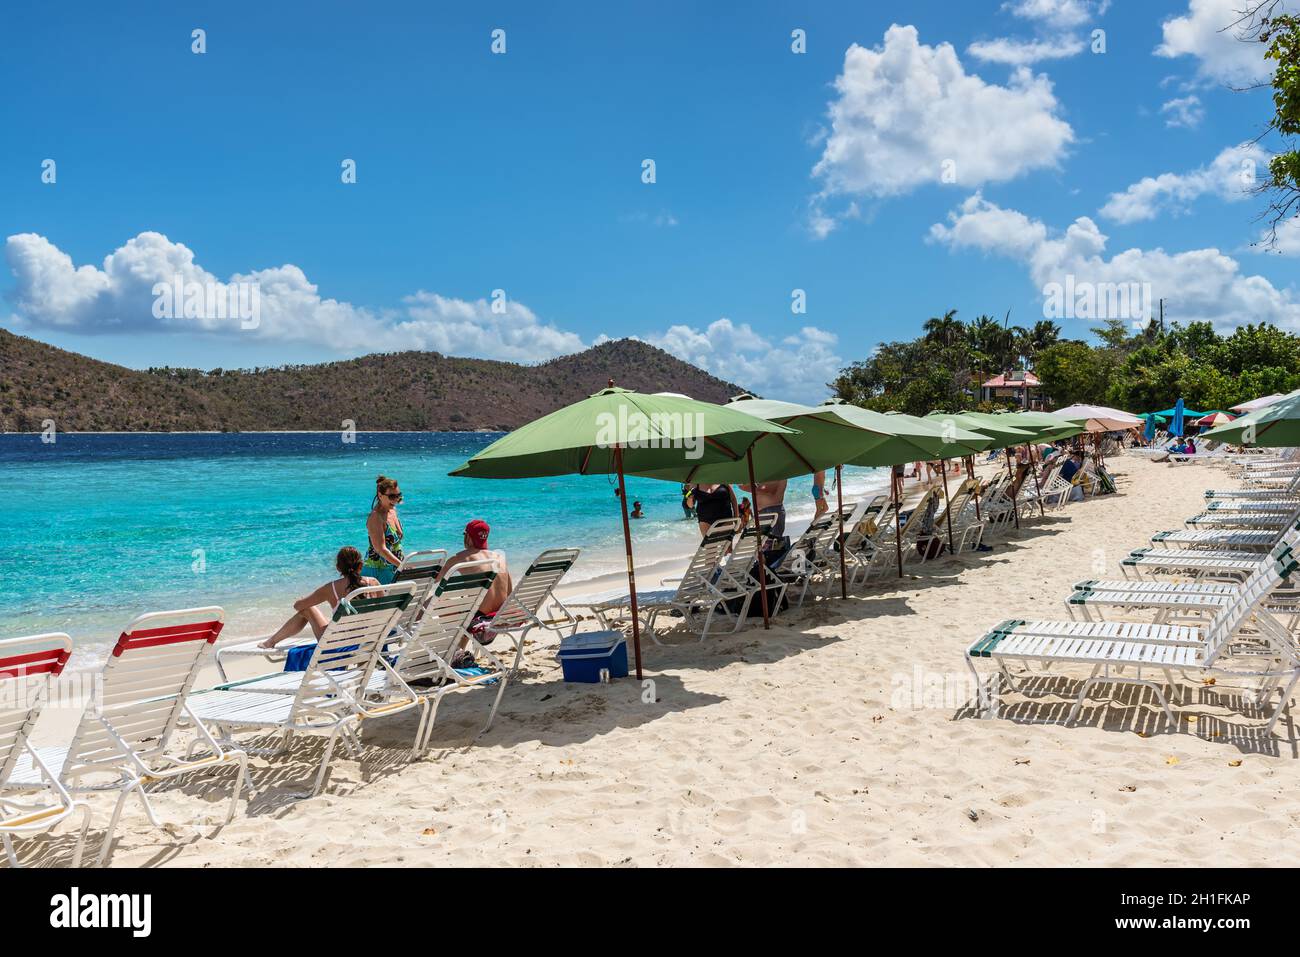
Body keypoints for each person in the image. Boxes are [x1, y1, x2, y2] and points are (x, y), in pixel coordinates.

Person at [260, 546, 379, 648]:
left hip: (339, 643)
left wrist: (300, 600)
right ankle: (271, 642)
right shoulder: (373, 583)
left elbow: (298, 606)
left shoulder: (331, 588)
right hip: (370, 639)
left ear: (338, 567)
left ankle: (271, 642)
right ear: (361, 565)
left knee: (307, 609)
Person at [439, 519, 513, 663]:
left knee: (438, 602)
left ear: (468, 537)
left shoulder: (461, 557)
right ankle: (458, 652)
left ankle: (454, 652)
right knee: (468, 607)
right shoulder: (499, 558)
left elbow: (435, 579)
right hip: (499, 620)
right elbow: (509, 593)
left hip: (478, 625)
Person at [364, 475, 405, 584]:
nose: (396, 500)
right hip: (377, 571)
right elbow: (380, 549)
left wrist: (401, 565)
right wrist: (403, 566)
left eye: (398, 495)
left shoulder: (392, 511)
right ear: (380, 495)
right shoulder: (376, 517)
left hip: (395, 568)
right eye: (392, 496)